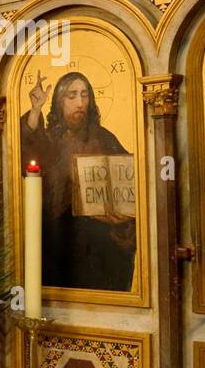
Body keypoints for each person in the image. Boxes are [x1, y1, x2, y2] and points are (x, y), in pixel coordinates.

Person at [20, 71, 136, 291]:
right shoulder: (49, 139)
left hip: (100, 247)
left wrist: (122, 217)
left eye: (85, 95)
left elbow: (127, 185)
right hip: (57, 241)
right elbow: (24, 151)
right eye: (71, 96)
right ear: (59, 102)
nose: (80, 102)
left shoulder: (104, 138)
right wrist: (35, 110)